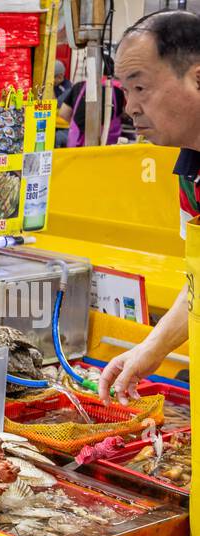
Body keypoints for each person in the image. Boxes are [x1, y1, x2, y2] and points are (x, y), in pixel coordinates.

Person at [97, 10, 200, 403]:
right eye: (126, 91)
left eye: (141, 89)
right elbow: (198, 282)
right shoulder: (191, 174)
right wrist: (150, 349)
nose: (130, 108)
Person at [58, 64, 129, 147]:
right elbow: (126, 113)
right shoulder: (119, 91)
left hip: (78, 148)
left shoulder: (78, 86)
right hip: (107, 147)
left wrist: (79, 124)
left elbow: (63, 113)